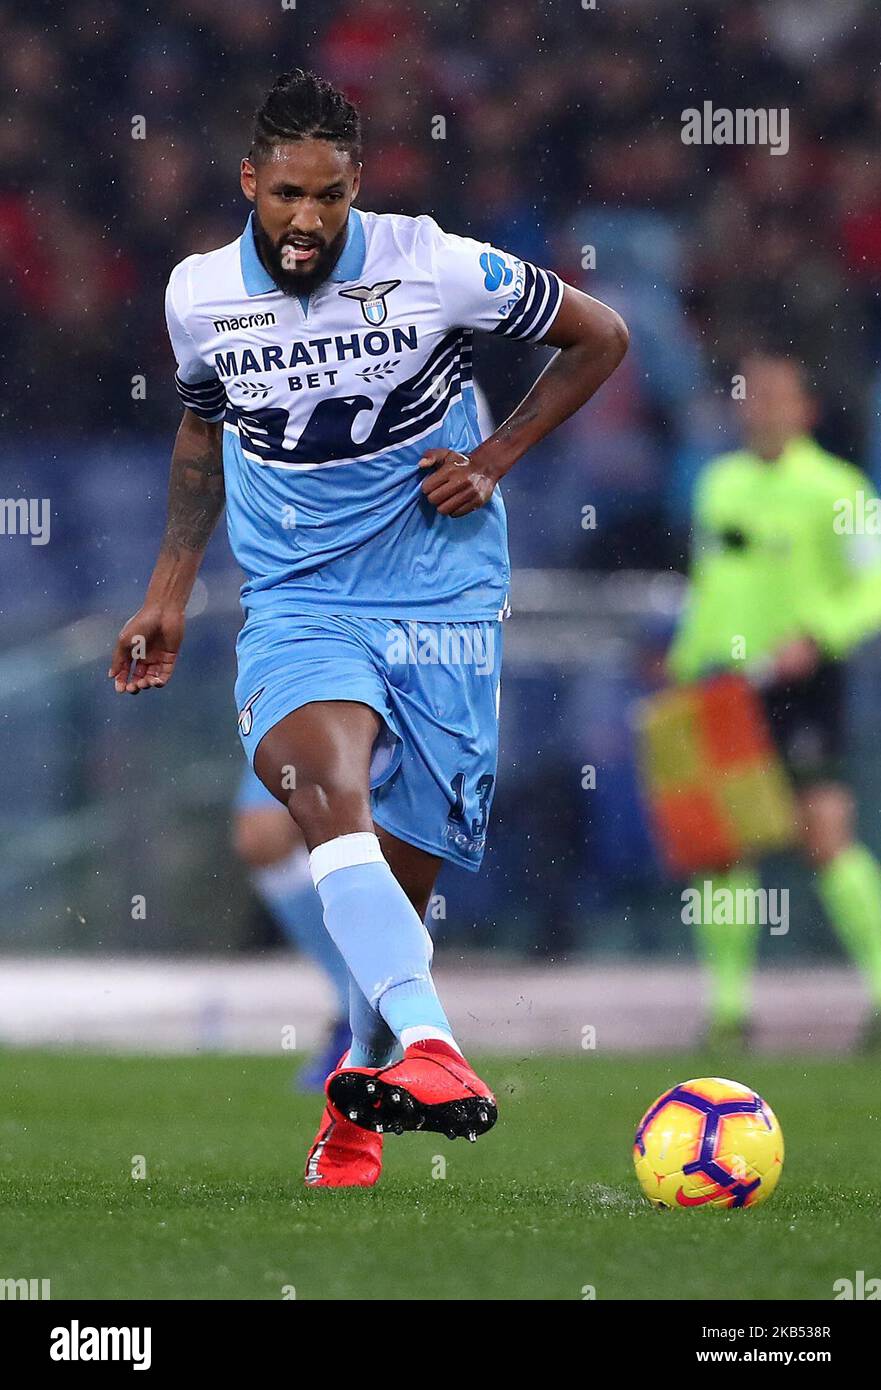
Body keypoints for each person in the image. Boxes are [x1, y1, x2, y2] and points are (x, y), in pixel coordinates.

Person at [109, 69, 628, 1186]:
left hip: (439, 591)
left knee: (397, 884)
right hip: (298, 594)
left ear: (358, 187)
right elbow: (202, 434)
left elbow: (600, 336)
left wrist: (493, 459)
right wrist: (168, 587)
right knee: (320, 789)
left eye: (329, 197)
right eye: (287, 193)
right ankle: (435, 1045)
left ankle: (355, 1104)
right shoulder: (198, 293)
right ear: (250, 181)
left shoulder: (434, 263)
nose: (307, 220)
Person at [668, 354, 881, 1049]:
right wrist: (681, 661)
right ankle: (728, 1011)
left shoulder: (835, 489)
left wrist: (818, 636)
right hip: (724, 684)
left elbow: (872, 584)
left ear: (804, 409)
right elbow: (708, 583)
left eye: (773, 396)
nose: (757, 407)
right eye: (749, 395)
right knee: (721, 848)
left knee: (824, 835)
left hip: (805, 685)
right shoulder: (718, 483)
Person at [233, 765, 352, 1090]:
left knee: (386, 827)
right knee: (263, 836)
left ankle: (395, 1014)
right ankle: (356, 1007)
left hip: (405, 717)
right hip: (301, 712)